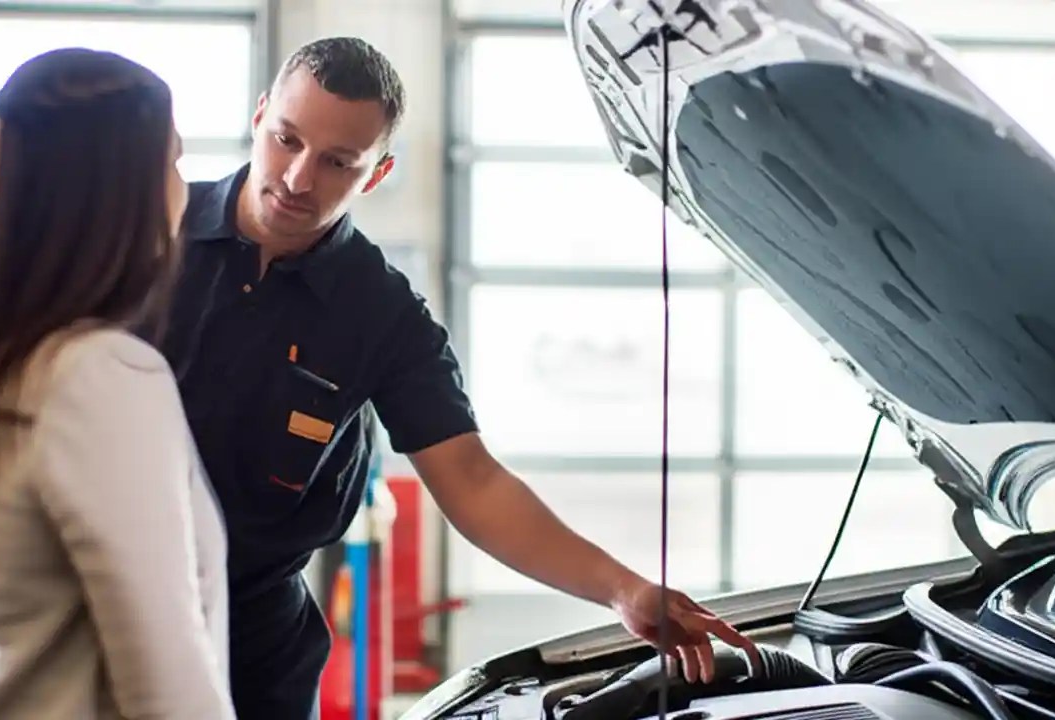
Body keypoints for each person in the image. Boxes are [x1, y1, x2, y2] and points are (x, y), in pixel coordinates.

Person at [164, 36, 758, 719]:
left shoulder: (380, 312)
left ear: (376, 174)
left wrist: (623, 588)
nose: (299, 179)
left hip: (253, 644)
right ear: (260, 114)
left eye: (337, 163)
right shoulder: (144, 233)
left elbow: (473, 482)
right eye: (286, 139)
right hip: (90, 605)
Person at [0, 48, 236, 719]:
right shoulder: (99, 378)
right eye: (173, 162)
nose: (184, 190)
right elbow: (166, 686)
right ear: (115, 193)